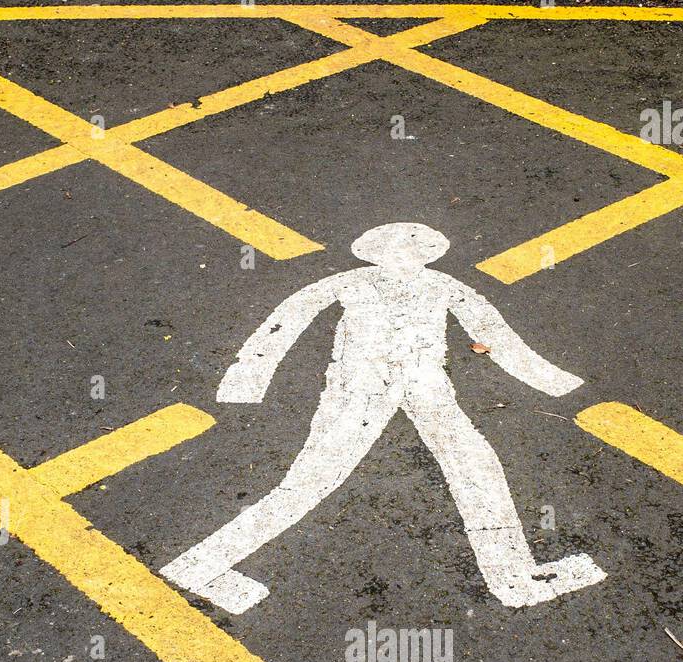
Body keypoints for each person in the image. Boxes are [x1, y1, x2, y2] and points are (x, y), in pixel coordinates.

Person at [161, 222, 605, 612]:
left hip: (429, 388)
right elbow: (286, 321)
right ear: (373, 255)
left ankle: (516, 576)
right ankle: (203, 565)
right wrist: (245, 382)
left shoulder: (445, 286)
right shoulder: (348, 284)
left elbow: (492, 332)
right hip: (358, 391)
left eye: (414, 250)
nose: (405, 257)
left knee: (478, 464)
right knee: (310, 481)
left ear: (430, 254)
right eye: (393, 250)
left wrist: (551, 381)